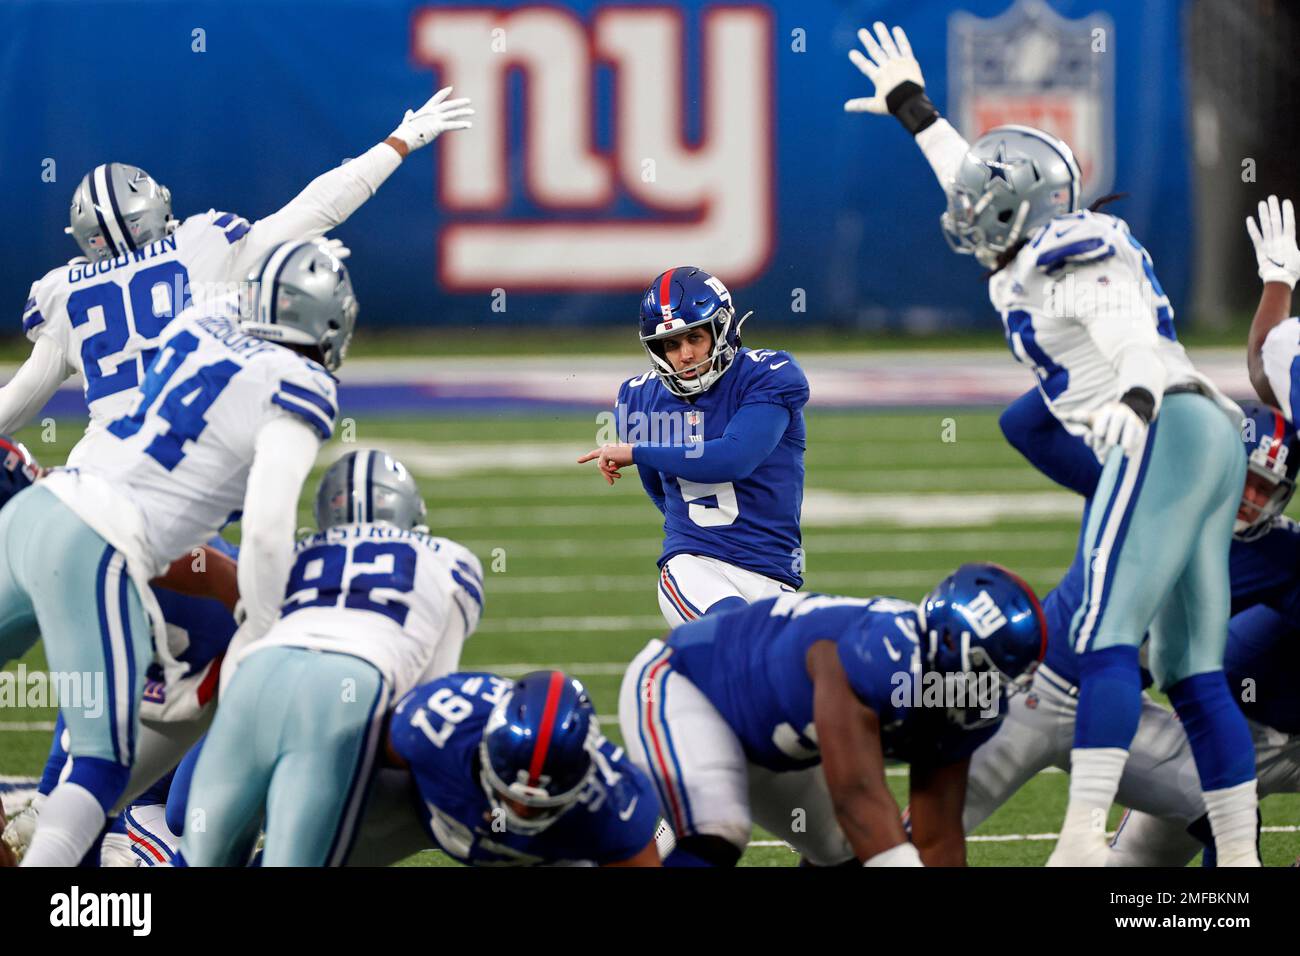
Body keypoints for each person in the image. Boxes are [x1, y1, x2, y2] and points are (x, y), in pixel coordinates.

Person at [845, 21, 1258, 865]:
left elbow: (1126, 327)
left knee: (1105, 636)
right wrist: (913, 109)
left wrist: (1138, 397)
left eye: (982, 201)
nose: (962, 207)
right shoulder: (1035, 242)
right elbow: (978, 179)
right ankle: (1245, 863)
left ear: (1017, 208)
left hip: (1165, 422)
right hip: (1208, 433)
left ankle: (1077, 843)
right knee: (1192, 669)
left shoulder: (1073, 248)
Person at [579, 267, 809, 627]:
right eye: (671, 344)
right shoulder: (640, 396)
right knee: (739, 639)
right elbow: (663, 495)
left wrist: (638, 452)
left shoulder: (768, 375)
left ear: (722, 329)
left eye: (695, 338)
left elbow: (736, 457)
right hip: (696, 566)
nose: (685, 354)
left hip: (773, 574)